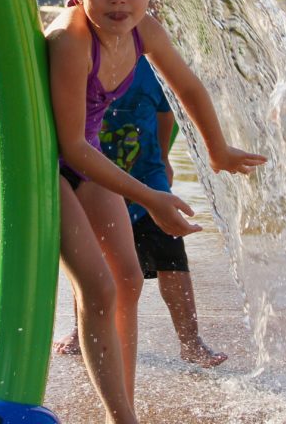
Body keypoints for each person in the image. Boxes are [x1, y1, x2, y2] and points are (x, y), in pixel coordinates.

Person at [45, 0, 266, 424]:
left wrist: (217, 149)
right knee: (97, 286)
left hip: (87, 163)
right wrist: (151, 197)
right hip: (46, 168)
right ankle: (123, 418)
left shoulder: (144, 30)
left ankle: (124, 404)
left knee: (128, 278)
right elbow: (71, 146)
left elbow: (187, 87)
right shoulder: (72, 40)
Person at [54, 56, 227, 368]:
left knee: (172, 257)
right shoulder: (84, 58)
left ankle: (190, 341)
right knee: (92, 261)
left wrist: (163, 156)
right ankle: (81, 329)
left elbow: (165, 114)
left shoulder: (154, 67)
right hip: (95, 181)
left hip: (148, 178)